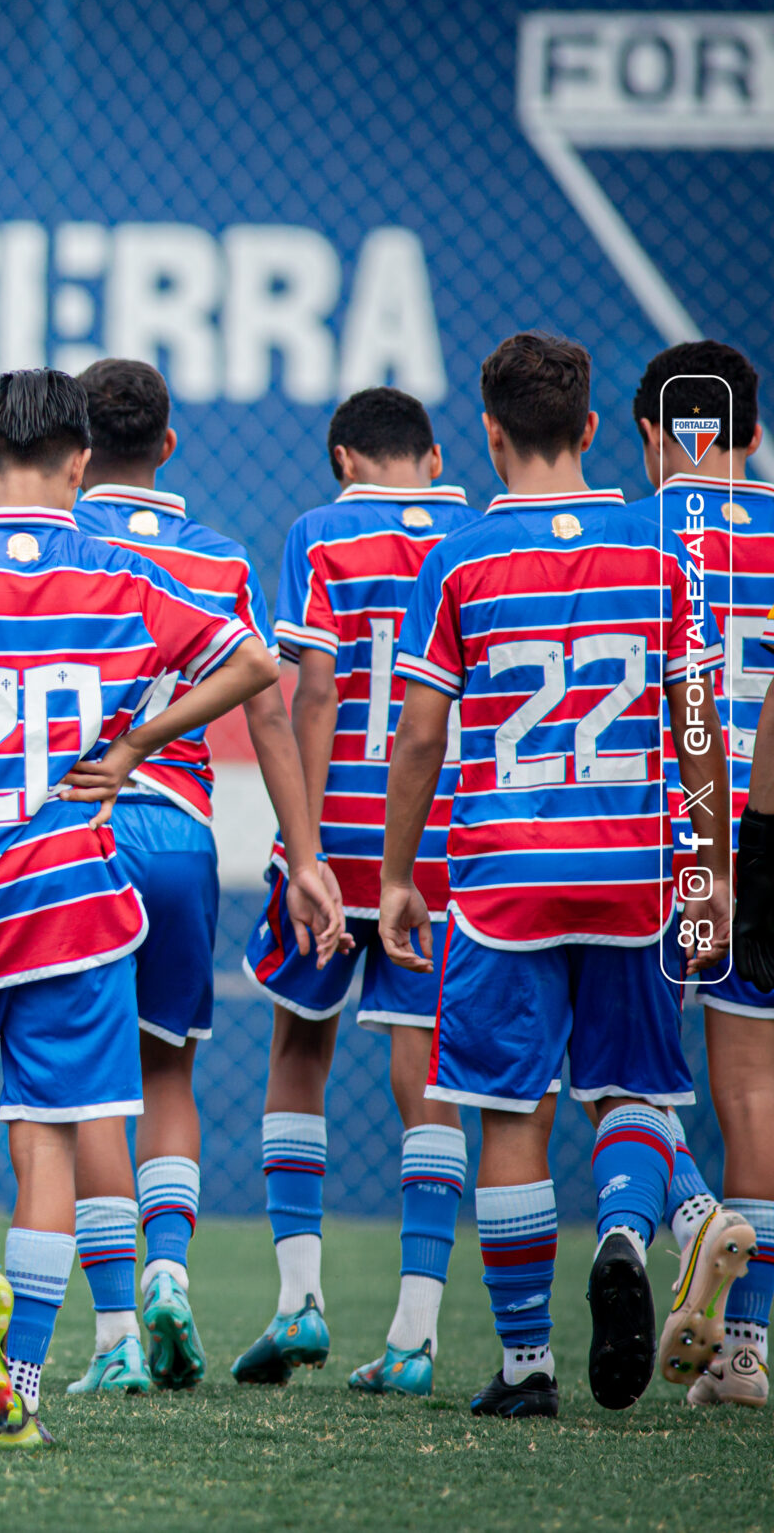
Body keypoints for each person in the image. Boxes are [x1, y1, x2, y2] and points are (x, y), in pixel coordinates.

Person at [0, 366, 275, 1449]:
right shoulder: (121, 575)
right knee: (51, 1141)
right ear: (80, 465)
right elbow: (251, 662)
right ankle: (16, 1380)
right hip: (76, 897)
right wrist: (132, 748)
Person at [379, 330, 727, 1419]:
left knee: (508, 1114)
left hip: (502, 882)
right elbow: (701, 733)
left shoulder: (460, 559)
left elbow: (421, 738)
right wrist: (705, 873)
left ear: (487, 435)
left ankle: (526, 1367)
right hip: (631, 873)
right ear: (587, 429)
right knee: (629, 1090)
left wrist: (399, 876)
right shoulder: (660, 553)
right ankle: (625, 1231)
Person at [59, 358, 344, 1396]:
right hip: (181, 835)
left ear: (74, 451)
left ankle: (112, 1336)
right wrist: (305, 858)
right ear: (168, 448)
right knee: (165, 1069)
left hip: (76, 830)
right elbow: (265, 707)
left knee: (84, 1087)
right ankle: (170, 1273)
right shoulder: (218, 557)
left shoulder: (61, 540)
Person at [246, 385, 479, 1398]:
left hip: (340, 823)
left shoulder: (321, 533)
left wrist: (303, 844)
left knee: (299, 1044)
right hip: (440, 827)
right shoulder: (474, 534)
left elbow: (318, 689)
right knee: (422, 1065)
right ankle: (416, 1332)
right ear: (432, 457)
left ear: (344, 457)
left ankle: (298, 1299)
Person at [631, 341, 767, 1409]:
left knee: (620, 1071)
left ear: (646, 439)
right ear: (754, 437)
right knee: (754, 1089)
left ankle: (686, 1213)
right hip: (764, 825)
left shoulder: (634, 539)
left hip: (651, 825)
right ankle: (745, 1352)